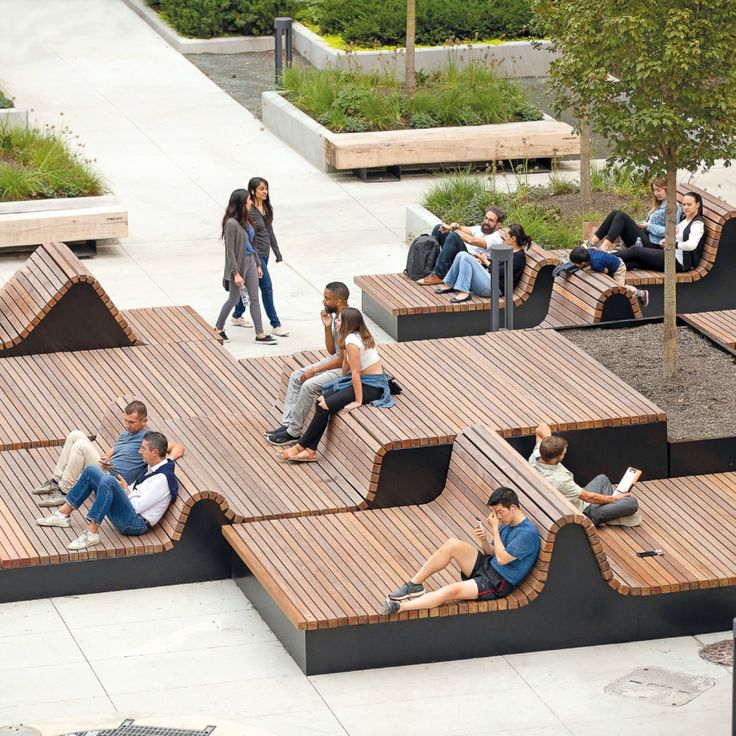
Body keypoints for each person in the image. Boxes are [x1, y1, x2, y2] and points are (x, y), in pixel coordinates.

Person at [380, 487, 540, 615]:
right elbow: (491, 554)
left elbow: (503, 559)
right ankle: (414, 585)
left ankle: (399, 607)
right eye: (495, 513)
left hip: (499, 581)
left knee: (451, 591)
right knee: (452, 544)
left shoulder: (527, 534)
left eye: (500, 512)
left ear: (513, 507)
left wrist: (495, 529)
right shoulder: (506, 521)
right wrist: (484, 540)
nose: (498, 517)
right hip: (488, 566)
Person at [280, 307, 394, 463]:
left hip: (372, 387)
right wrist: (338, 382)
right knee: (321, 400)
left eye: (339, 319)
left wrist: (358, 401)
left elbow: (354, 373)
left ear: (347, 323)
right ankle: (310, 451)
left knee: (325, 404)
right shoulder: (353, 337)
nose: (336, 321)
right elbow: (345, 369)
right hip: (363, 381)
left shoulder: (353, 342)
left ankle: (301, 447)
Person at [36, 431, 179, 551]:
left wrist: (125, 492)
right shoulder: (154, 467)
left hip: (135, 524)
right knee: (92, 471)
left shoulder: (162, 479)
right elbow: (135, 491)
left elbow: (137, 507)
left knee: (108, 481)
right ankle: (62, 514)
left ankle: (91, 532)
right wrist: (126, 489)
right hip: (130, 512)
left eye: (143, 449)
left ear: (155, 452)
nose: (139, 451)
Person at [31, 400, 184, 509]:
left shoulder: (148, 439)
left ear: (144, 421)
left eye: (132, 422)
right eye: (126, 421)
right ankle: (57, 481)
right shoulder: (125, 434)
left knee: (81, 446)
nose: (127, 425)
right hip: (105, 469)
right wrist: (108, 457)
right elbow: (116, 448)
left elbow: (178, 447)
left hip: (113, 481)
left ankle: (65, 490)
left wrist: (169, 460)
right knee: (75, 435)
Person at [266, 282, 350, 446]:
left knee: (309, 385)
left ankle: (293, 432)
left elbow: (341, 361)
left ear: (339, 301)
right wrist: (327, 326)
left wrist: (314, 370)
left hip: (346, 369)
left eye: (327, 299)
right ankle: (288, 424)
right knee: (296, 376)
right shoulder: (336, 317)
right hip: (337, 361)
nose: (324, 302)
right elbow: (332, 351)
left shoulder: (347, 320)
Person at [528, 424, 641, 527]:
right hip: (583, 513)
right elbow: (588, 497)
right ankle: (608, 514)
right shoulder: (559, 480)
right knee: (632, 502)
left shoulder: (537, 456)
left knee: (602, 479)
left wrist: (551, 441)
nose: (564, 455)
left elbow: (540, 428)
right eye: (563, 454)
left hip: (575, 500)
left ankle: (610, 514)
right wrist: (613, 499)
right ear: (554, 458)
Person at [214, 188, 277, 345]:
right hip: (238, 265)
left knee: (254, 298)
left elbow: (251, 244)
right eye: (249, 199)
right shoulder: (231, 224)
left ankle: (260, 334)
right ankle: (218, 328)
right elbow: (230, 252)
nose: (251, 201)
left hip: (250, 262)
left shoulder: (246, 220)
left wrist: (257, 264)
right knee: (234, 298)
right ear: (241, 202)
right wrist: (235, 273)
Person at [231, 177, 289, 337]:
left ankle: (237, 314)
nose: (265, 192)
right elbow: (246, 237)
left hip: (265, 253)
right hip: (255, 256)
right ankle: (276, 324)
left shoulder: (266, 208)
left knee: (252, 287)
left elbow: (269, 232)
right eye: (261, 189)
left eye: (266, 188)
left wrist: (277, 252)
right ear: (252, 191)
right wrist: (255, 259)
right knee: (266, 288)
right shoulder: (249, 212)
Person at [435, 223, 530, 304]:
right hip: (489, 281)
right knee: (462, 254)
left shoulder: (519, 257)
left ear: (513, 238)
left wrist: (485, 260)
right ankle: (450, 284)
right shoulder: (509, 250)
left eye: (505, 235)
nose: (502, 237)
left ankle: (464, 291)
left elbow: (497, 271)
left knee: (466, 258)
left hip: (495, 289)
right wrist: (481, 262)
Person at [615, 191, 706, 273]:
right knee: (636, 262)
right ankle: (607, 269)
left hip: (678, 262)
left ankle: (604, 257)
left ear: (697, 205)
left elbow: (691, 245)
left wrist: (671, 244)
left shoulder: (697, 224)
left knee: (635, 250)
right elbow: (677, 235)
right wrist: (665, 240)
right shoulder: (685, 219)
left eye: (689, 205)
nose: (685, 207)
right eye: (684, 204)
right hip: (669, 254)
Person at [416, 206, 505, 285]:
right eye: (485, 218)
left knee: (454, 237)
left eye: (490, 220)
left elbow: (472, 240)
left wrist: (456, 232)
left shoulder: (497, 238)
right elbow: (466, 229)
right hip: (462, 253)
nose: (486, 222)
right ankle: (429, 266)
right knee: (439, 228)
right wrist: (453, 227)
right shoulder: (483, 229)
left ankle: (439, 275)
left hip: (470, 260)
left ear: (498, 224)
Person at [587, 177, 680, 252]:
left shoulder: (673, 207)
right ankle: (591, 244)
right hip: (644, 238)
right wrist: (639, 223)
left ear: (667, 189)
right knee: (615, 213)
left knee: (621, 216)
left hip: (654, 245)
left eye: (658, 190)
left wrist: (648, 225)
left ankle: (602, 250)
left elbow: (671, 231)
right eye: (654, 191)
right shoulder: (659, 205)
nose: (656, 193)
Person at [568, 246, 650, 307]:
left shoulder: (595, 263)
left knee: (620, 289)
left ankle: (641, 293)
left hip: (618, 268)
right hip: (611, 260)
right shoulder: (588, 252)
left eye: (576, 263)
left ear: (582, 263)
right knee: (587, 271)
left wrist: (592, 269)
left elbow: (606, 271)